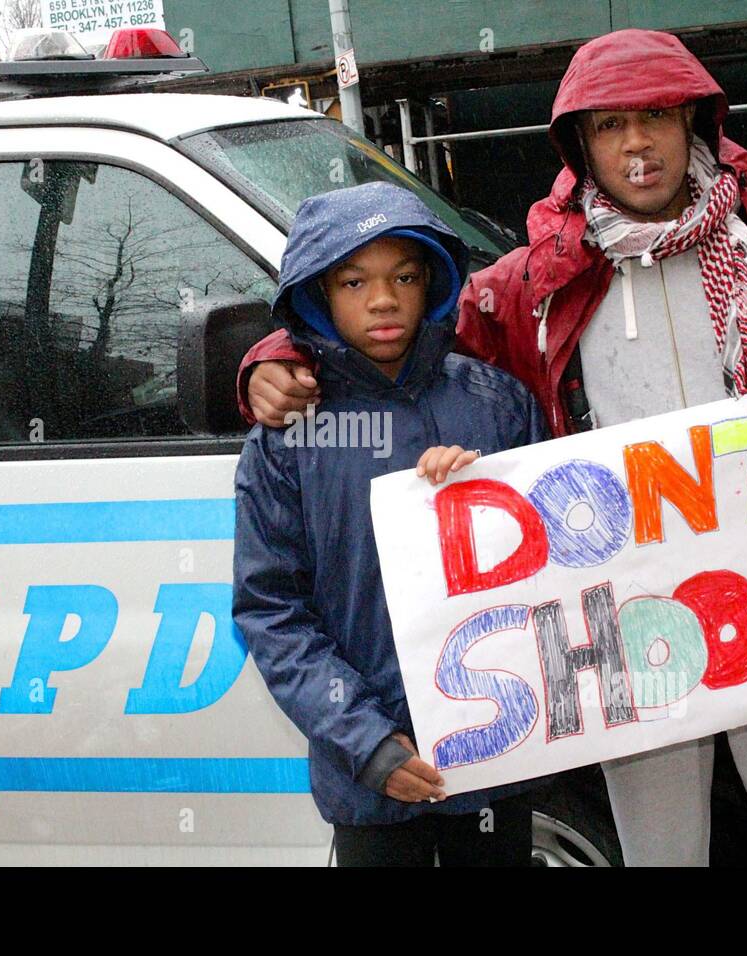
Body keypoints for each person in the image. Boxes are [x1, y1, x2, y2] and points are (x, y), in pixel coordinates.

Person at [235, 29, 747, 866]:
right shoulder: (533, 285)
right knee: (660, 848)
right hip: (627, 632)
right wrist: (278, 356)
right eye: (608, 125)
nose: (636, 143)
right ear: (580, 147)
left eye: (658, 115)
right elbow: (393, 331)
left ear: (696, 124)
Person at [232, 181, 550, 866]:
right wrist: (367, 744)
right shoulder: (287, 438)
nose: (383, 299)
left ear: (433, 281)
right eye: (354, 282)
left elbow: (560, 561)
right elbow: (270, 610)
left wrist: (491, 495)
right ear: (318, 296)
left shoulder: (499, 406)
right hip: (369, 784)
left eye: (404, 275)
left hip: (499, 759)